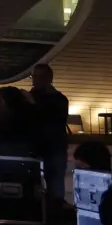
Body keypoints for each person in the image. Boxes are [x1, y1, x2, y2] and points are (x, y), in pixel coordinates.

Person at [29, 63, 70, 206]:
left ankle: (55, 215)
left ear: (47, 78)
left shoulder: (58, 99)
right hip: (39, 147)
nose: (33, 80)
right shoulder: (32, 97)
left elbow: (53, 119)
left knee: (55, 184)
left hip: (53, 148)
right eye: (33, 76)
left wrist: (33, 104)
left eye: (36, 76)